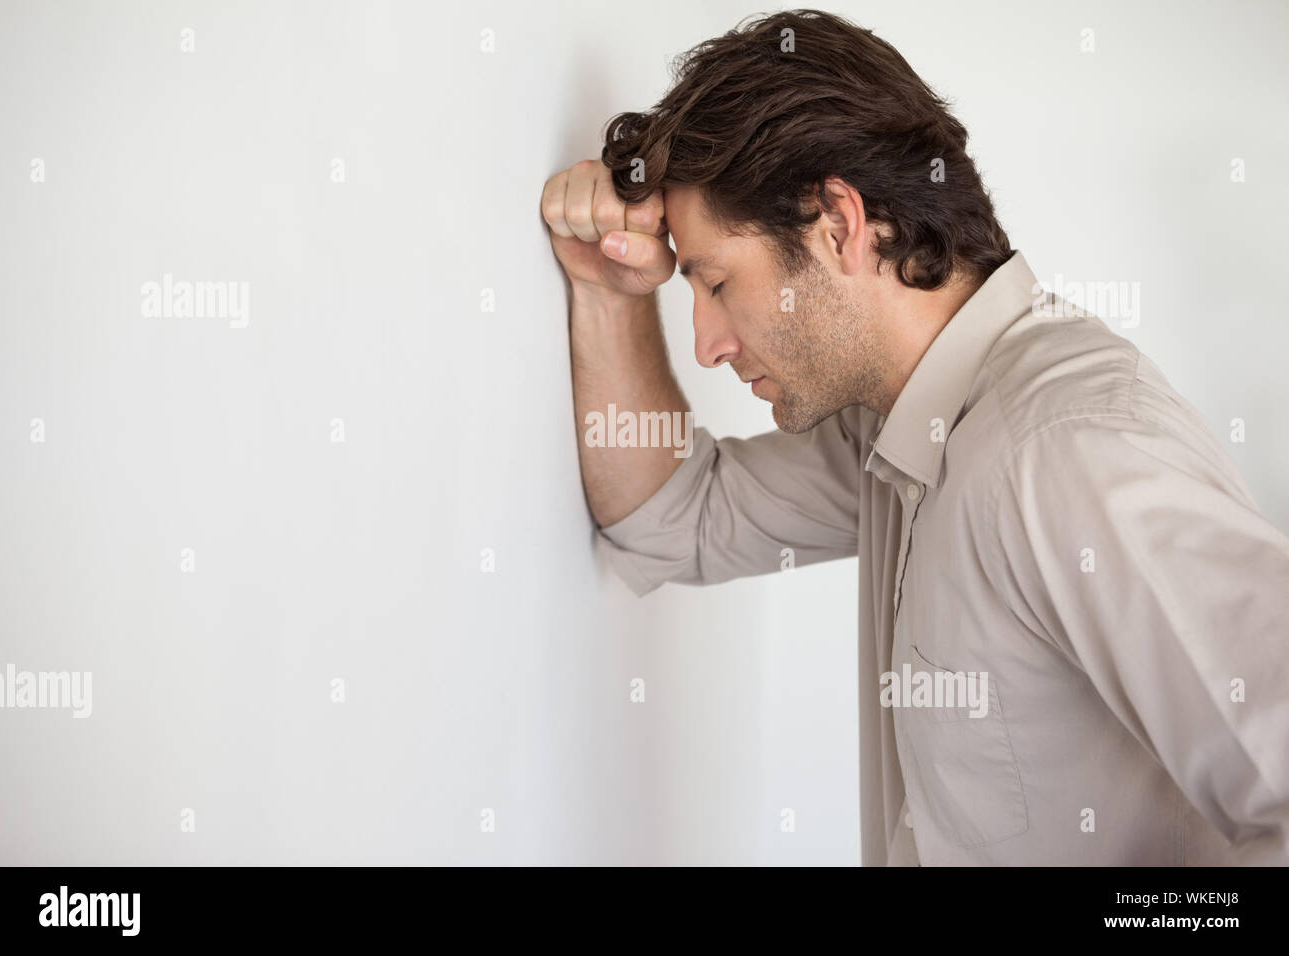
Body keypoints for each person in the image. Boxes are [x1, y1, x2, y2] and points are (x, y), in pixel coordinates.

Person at [539, 9, 1289, 865]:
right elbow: (670, 516)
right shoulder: (901, 422)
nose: (708, 344)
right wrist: (610, 293)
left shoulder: (1065, 451)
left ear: (838, 225)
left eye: (714, 281)